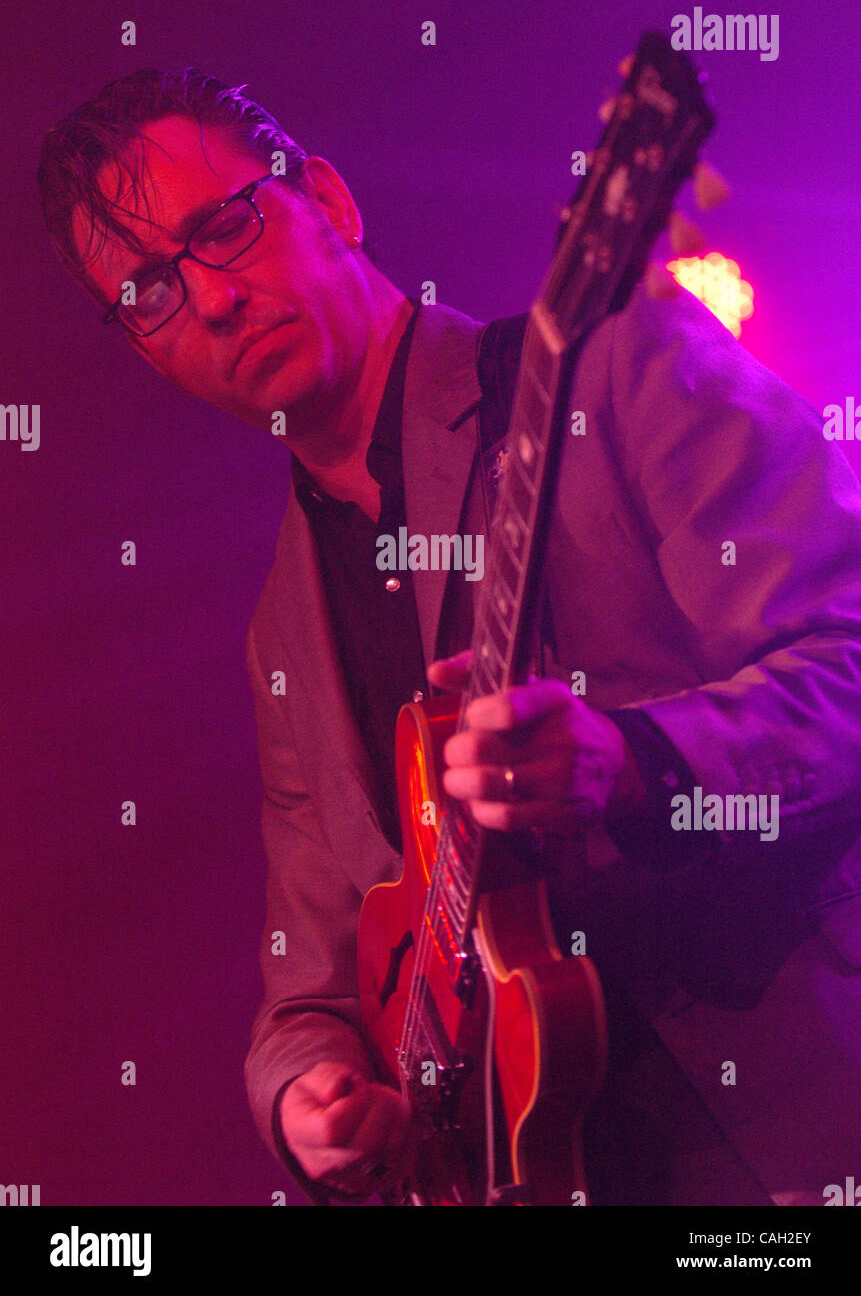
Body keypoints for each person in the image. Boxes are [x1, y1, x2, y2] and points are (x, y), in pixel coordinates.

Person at [38, 67, 861, 1207]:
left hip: (797, 1126)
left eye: (225, 228)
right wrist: (305, 1098)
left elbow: (852, 665)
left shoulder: (618, 368)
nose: (212, 301)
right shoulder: (282, 626)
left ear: (325, 198)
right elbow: (310, 986)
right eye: (150, 293)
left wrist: (637, 764)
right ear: (140, 350)